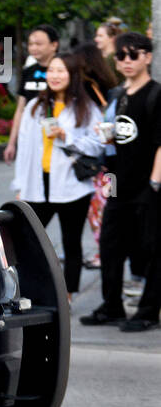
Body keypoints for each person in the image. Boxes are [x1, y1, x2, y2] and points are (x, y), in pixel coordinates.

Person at [81, 31, 161, 330]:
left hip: (148, 186)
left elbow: (160, 144)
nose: (127, 61)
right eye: (121, 56)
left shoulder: (156, 94)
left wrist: (154, 186)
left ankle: (148, 311)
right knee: (110, 246)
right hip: (117, 184)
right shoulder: (116, 96)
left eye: (134, 55)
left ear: (147, 57)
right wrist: (109, 185)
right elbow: (110, 145)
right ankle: (111, 305)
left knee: (151, 248)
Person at [11, 51, 103, 298]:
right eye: (51, 70)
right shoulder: (35, 106)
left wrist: (67, 138)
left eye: (61, 70)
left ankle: (68, 294)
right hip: (38, 184)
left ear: (72, 74)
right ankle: (30, 288)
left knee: (72, 243)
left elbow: (98, 143)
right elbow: (26, 149)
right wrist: (20, 184)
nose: (54, 75)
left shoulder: (85, 107)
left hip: (73, 186)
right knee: (27, 239)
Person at [70, 42, 118, 269]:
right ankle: (107, 253)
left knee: (99, 213)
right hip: (113, 160)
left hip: (99, 164)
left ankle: (104, 255)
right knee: (108, 210)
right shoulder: (110, 84)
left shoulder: (88, 87)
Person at [4, 24, 59, 165]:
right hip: (30, 137)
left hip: (55, 137)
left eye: (39, 44)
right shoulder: (28, 71)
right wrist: (11, 143)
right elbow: (20, 109)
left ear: (54, 45)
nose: (33, 48)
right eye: (30, 44)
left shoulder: (63, 71)